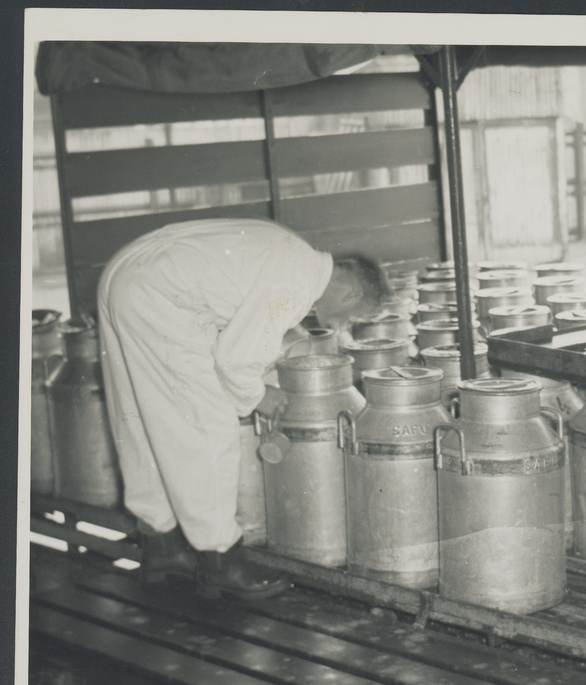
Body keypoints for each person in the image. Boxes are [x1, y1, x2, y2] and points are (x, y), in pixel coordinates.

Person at [97, 218, 391, 600]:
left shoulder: (290, 249)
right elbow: (235, 363)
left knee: (140, 418)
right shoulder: (298, 282)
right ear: (351, 293)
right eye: (353, 317)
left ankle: (163, 548)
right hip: (159, 296)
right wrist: (258, 396)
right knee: (206, 427)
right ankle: (221, 560)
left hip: (125, 276)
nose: (343, 325)